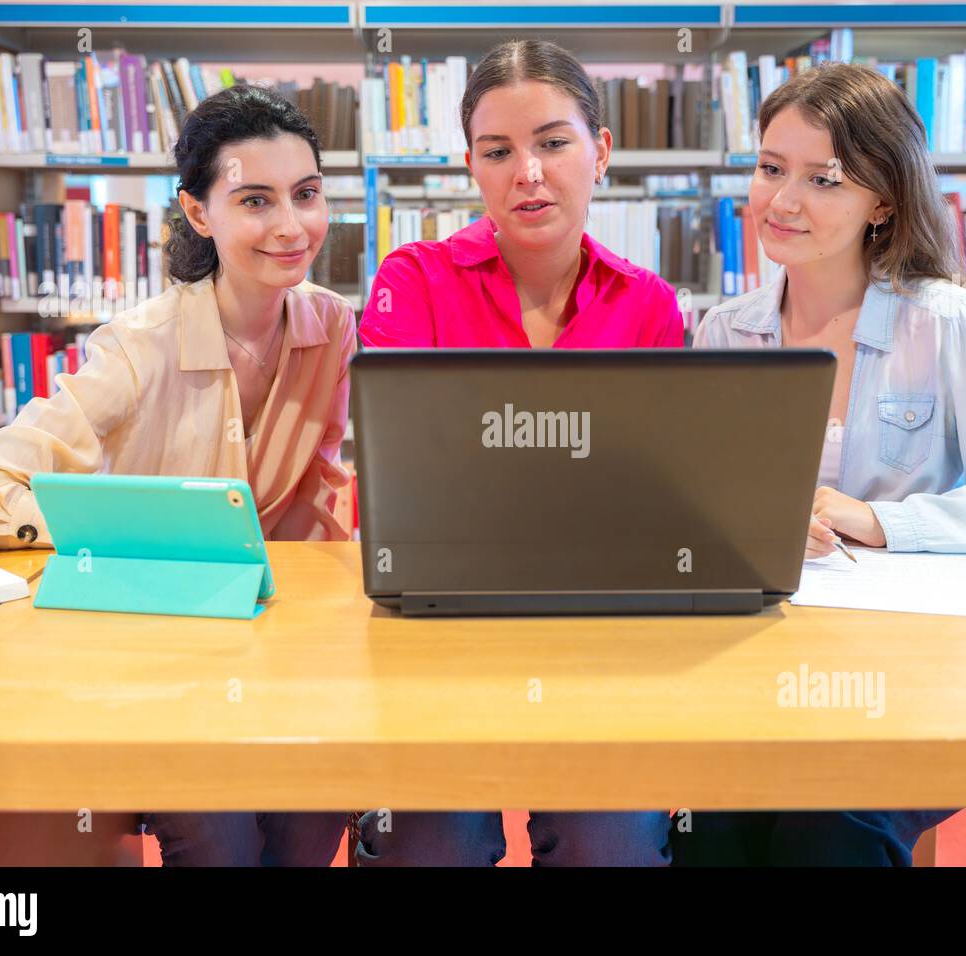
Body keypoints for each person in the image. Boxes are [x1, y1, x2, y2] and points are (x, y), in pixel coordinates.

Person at [672, 62, 966, 866]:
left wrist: (881, 521)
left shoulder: (947, 324)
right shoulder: (723, 332)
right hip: (767, 670)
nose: (783, 200)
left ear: (883, 200)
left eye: (823, 179)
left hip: (919, 675)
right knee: (712, 827)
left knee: (831, 832)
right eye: (771, 169)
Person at [0, 83, 355, 865]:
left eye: (305, 195)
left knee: (316, 810)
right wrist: (127, 533)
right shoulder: (138, 347)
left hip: (284, 648)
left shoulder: (332, 325)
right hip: (163, 659)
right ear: (201, 214)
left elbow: (321, 494)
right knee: (221, 839)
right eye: (256, 200)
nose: (291, 226)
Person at [356, 39, 683, 866]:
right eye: (498, 152)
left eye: (552, 142)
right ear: (472, 165)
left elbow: (661, 496)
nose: (527, 173)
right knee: (428, 843)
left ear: (600, 152)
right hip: (437, 623)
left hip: (598, 627)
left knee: (616, 843)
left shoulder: (647, 305)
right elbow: (401, 477)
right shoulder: (413, 278)